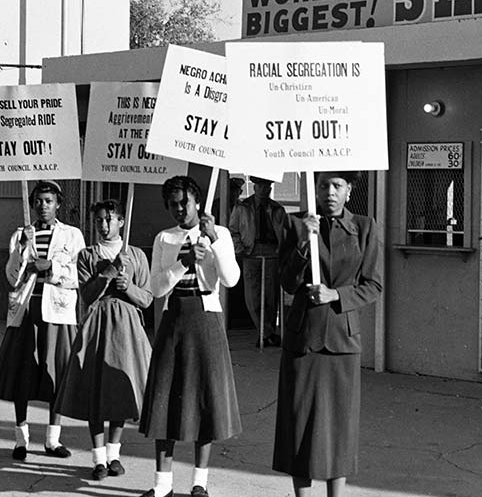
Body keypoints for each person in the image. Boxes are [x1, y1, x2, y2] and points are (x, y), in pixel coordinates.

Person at [273, 171, 382, 497]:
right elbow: (287, 282)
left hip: (341, 340)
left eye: (337, 186)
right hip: (303, 338)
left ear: (349, 191)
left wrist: (337, 296)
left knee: (338, 429)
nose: (329, 192)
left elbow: (373, 285)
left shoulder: (364, 227)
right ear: (314, 189)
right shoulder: (296, 226)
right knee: (300, 424)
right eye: (323, 186)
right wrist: (304, 246)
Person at [138, 175, 242, 497]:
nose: (180, 209)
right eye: (173, 204)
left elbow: (231, 279)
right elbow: (156, 287)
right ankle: (162, 485)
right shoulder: (164, 239)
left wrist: (216, 243)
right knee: (165, 400)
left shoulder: (217, 233)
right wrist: (183, 263)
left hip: (206, 320)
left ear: (198, 201)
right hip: (173, 320)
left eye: (185, 202)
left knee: (203, 400)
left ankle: (200, 482)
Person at [54, 199, 153, 480]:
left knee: (120, 388)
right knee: (95, 390)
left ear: (122, 221)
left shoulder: (136, 255)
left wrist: (129, 287)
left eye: (109, 220)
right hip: (97, 324)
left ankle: (114, 455)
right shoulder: (87, 255)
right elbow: (86, 295)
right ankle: (98, 458)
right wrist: (109, 272)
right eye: (98, 220)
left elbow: (147, 299)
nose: (104, 225)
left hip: (126, 327)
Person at [0, 180, 85, 461]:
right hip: (25, 310)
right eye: (38, 201)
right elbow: (12, 278)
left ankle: (52, 439)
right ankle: (21, 438)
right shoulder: (20, 235)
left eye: (48, 201)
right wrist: (21, 249)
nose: (42, 206)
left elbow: (79, 275)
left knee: (56, 374)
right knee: (21, 374)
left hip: (57, 312)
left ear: (58, 204)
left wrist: (53, 267)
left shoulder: (72, 236)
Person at [229, 175, 290, 347]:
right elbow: (233, 230)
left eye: (267, 187)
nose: (264, 190)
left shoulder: (277, 209)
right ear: (254, 188)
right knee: (253, 295)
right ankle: (265, 332)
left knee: (270, 294)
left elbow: (285, 233)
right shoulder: (242, 207)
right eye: (261, 187)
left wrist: (282, 250)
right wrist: (240, 249)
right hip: (251, 251)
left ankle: (267, 332)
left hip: (272, 252)